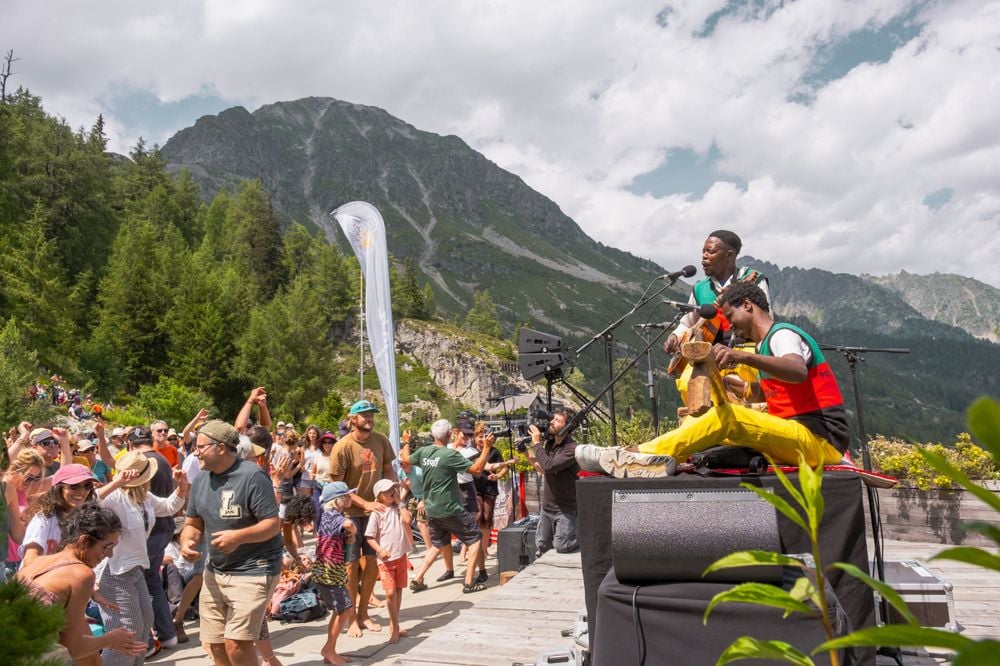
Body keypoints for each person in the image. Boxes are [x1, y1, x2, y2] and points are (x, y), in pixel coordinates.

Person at [576, 282, 851, 476]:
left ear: (748, 305)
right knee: (704, 426)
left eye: (731, 316)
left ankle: (635, 455)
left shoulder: (782, 335)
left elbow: (797, 370)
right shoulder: (765, 344)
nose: (729, 325)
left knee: (729, 418)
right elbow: (781, 391)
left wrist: (742, 358)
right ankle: (655, 460)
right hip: (798, 435)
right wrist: (746, 388)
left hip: (820, 440)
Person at [179, 420, 283, 666]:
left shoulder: (253, 476)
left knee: (237, 644)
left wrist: (238, 537)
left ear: (222, 448)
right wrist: (186, 542)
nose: (195, 451)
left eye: (201, 446)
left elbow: (272, 524)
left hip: (253, 569)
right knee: (214, 645)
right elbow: (193, 523)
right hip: (215, 571)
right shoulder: (201, 480)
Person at [16, 504, 148, 665]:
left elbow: (82, 645)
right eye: (107, 546)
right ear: (84, 541)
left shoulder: (37, 563)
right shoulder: (82, 575)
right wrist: (110, 640)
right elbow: (74, 647)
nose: (110, 554)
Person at [94, 451, 188, 663]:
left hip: (135, 569)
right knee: (128, 631)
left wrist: (182, 488)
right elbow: (90, 502)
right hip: (114, 571)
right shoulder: (116, 496)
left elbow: (169, 507)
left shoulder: (144, 497)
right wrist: (116, 482)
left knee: (145, 623)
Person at [401, 419, 496, 594]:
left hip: (431, 508)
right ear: (449, 435)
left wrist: (406, 441)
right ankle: (469, 583)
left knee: (437, 544)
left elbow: (405, 459)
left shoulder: (424, 452)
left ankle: (418, 578)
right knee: (475, 538)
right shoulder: (449, 455)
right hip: (450, 508)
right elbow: (476, 470)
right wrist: (487, 448)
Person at [328, 399, 397, 637]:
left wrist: (396, 496)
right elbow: (337, 485)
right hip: (349, 513)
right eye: (364, 415)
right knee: (350, 566)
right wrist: (364, 502)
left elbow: (388, 469)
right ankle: (350, 618)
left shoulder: (381, 440)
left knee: (372, 564)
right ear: (353, 419)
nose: (369, 418)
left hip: (375, 512)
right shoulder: (343, 446)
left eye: (371, 415)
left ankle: (363, 613)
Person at [364, 479, 414, 644]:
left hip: (401, 557)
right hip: (386, 560)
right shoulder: (377, 513)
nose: (392, 492)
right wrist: (379, 550)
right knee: (390, 593)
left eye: (393, 488)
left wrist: (400, 502)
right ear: (379, 496)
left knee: (398, 591)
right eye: (387, 491)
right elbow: (370, 536)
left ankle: (395, 625)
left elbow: (407, 520)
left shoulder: (398, 509)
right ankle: (394, 625)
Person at [313, 481, 357, 666]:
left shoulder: (330, 514)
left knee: (342, 609)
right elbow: (348, 524)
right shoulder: (331, 515)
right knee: (345, 609)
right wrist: (353, 531)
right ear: (337, 500)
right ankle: (329, 649)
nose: (350, 497)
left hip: (331, 570)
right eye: (347, 495)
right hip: (328, 571)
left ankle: (330, 650)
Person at [21, 464, 99, 565]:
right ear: (58, 489)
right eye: (74, 486)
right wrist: (68, 556)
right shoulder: (44, 519)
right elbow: (30, 560)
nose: (82, 491)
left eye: (87, 486)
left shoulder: (88, 520)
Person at [528, 408, 581, 555]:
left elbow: (549, 465)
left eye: (557, 420)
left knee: (563, 547)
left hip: (565, 510)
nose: (551, 421)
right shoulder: (550, 444)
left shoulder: (572, 448)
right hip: (547, 508)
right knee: (542, 545)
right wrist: (526, 452)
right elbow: (545, 469)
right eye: (553, 419)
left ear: (568, 427)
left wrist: (537, 443)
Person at [4, 449, 49, 577]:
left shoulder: (22, 492)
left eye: (36, 478)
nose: (31, 482)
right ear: (15, 469)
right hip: (5, 562)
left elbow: (18, 535)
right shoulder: (5, 490)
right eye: (29, 477)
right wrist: (21, 439)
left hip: (18, 560)